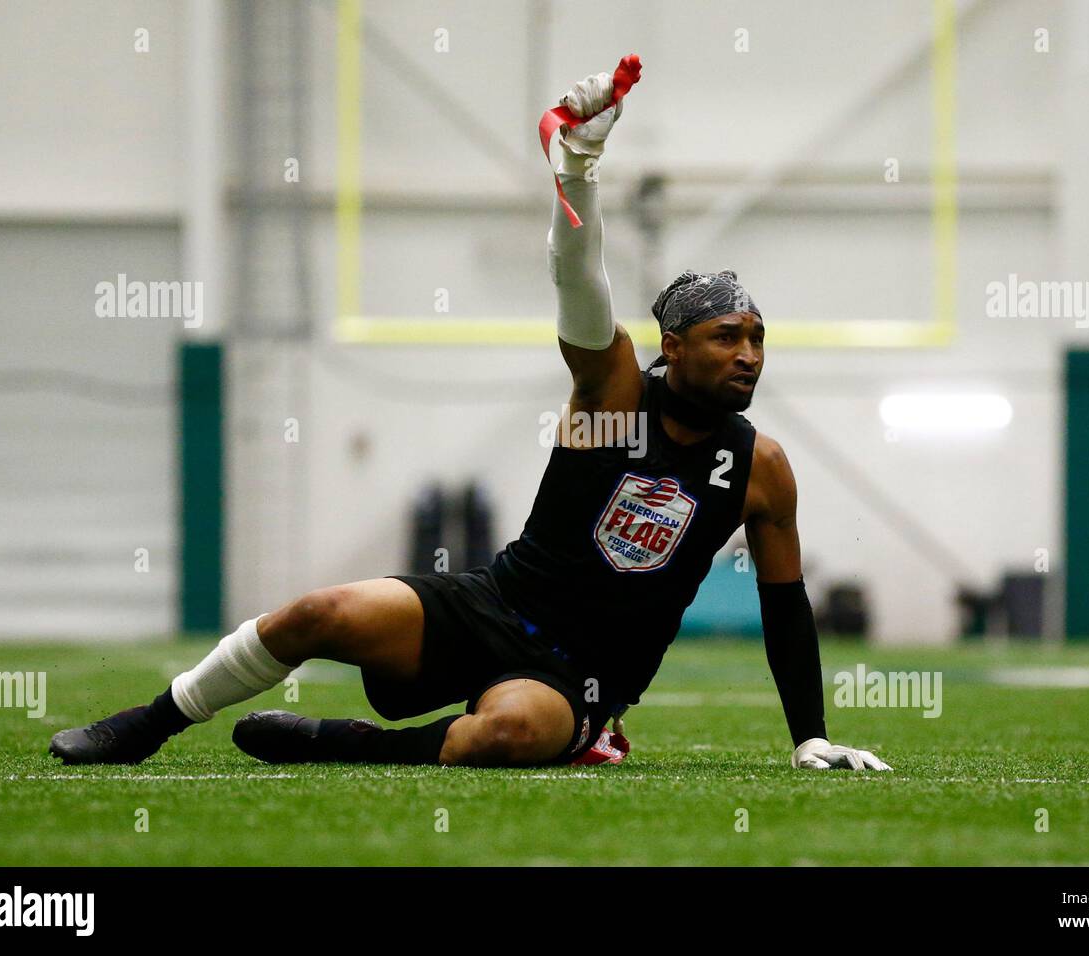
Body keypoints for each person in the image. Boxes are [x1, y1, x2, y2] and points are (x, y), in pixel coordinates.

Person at [49, 58, 889, 773]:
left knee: (509, 733)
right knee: (314, 615)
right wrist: (577, 171)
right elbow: (580, 286)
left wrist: (810, 737)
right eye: (725, 336)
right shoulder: (615, 396)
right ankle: (148, 725)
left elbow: (786, 607)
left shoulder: (760, 468)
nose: (748, 353)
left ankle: (349, 744)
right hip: (490, 605)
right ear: (672, 343)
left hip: (580, 678)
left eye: (757, 338)